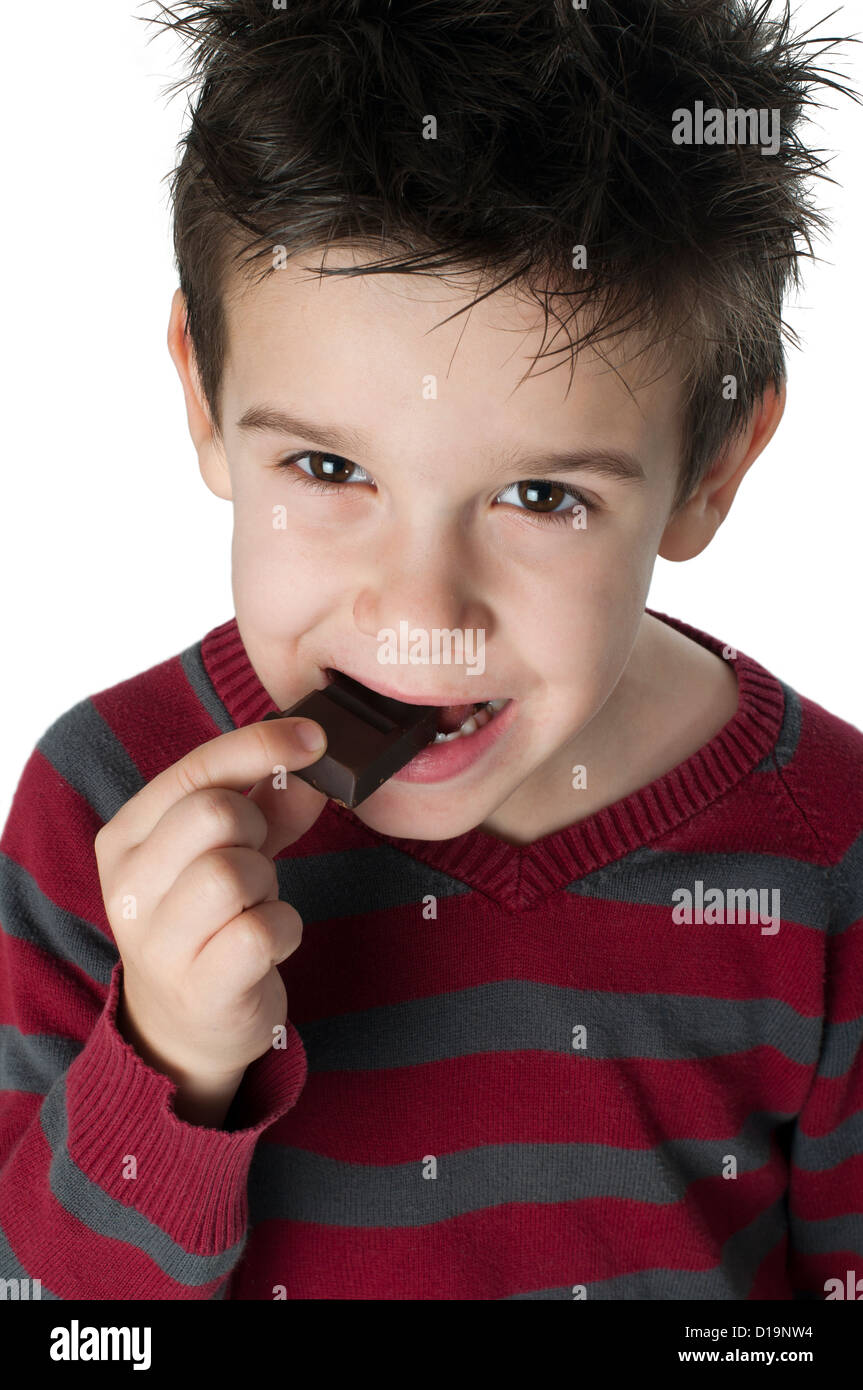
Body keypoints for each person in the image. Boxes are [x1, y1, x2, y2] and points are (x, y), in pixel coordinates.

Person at [1, 0, 861, 1300]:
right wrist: (169, 1059)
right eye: (329, 466)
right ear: (203, 395)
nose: (421, 613)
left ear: (713, 469)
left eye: (542, 498)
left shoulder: (830, 855)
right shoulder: (110, 805)